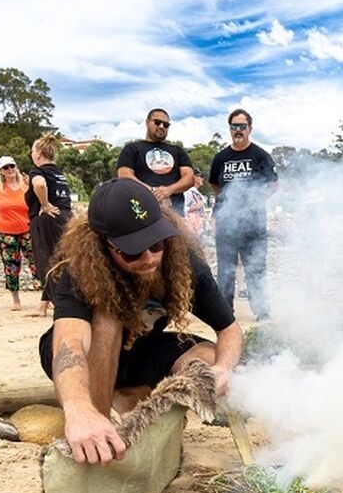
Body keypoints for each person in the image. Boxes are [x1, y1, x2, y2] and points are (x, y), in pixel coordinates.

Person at [39, 178, 242, 465]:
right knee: (108, 319)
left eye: (156, 243)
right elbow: (68, 345)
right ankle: (100, 426)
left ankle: (131, 398)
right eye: (132, 250)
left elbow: (229, 329)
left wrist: (223, 369)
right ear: (103, 246)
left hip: (141, 350)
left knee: (208, 360)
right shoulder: (83, 271)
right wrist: (78, 410)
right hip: (91, 352)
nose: (148, 258)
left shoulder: (182, 261)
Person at [208, 108, 278, 320]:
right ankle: (225, 315)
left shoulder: (260, 155)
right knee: (225, 271)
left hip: (254, 224)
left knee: (256, 268)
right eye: (234, 126)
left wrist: (253, 200)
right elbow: (215, 185)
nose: (238, 130)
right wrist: (227, 206)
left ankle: (262, 313)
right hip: (226, 224)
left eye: (242, 126)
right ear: (230, 129)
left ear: (250, 128)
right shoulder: (221, 157)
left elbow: (274, 185)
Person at [26, 133, 73, 318]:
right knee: (61, 259)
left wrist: (45, 205)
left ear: (38, 154)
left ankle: (61, 306)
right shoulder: (59, 173)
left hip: (48, 220)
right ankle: (43, 305)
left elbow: (40, 185)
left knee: (47, 262)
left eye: (32, 151)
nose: (31, 154)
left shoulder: (38, 172)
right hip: (65, 216)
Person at [117, 108, 195, 216]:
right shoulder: (132, 148)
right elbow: (124, 175)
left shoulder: (178, 151)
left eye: (166, 125)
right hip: (141, 212)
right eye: (157, 122)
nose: (161, 126)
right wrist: (154, 192)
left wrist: (169, 190)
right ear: (147, 123)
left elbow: (189, 178)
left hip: (174, 213)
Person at [0, 155, 34, 310]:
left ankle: (46, 297)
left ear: (16, 167)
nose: (10, 170)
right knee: (11, 265)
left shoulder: (26, 185)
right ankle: (16, 299)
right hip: (5, 231)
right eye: (6, 168)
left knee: (36, 262)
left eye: (12, 166)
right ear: (1, 171)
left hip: (27, 229)